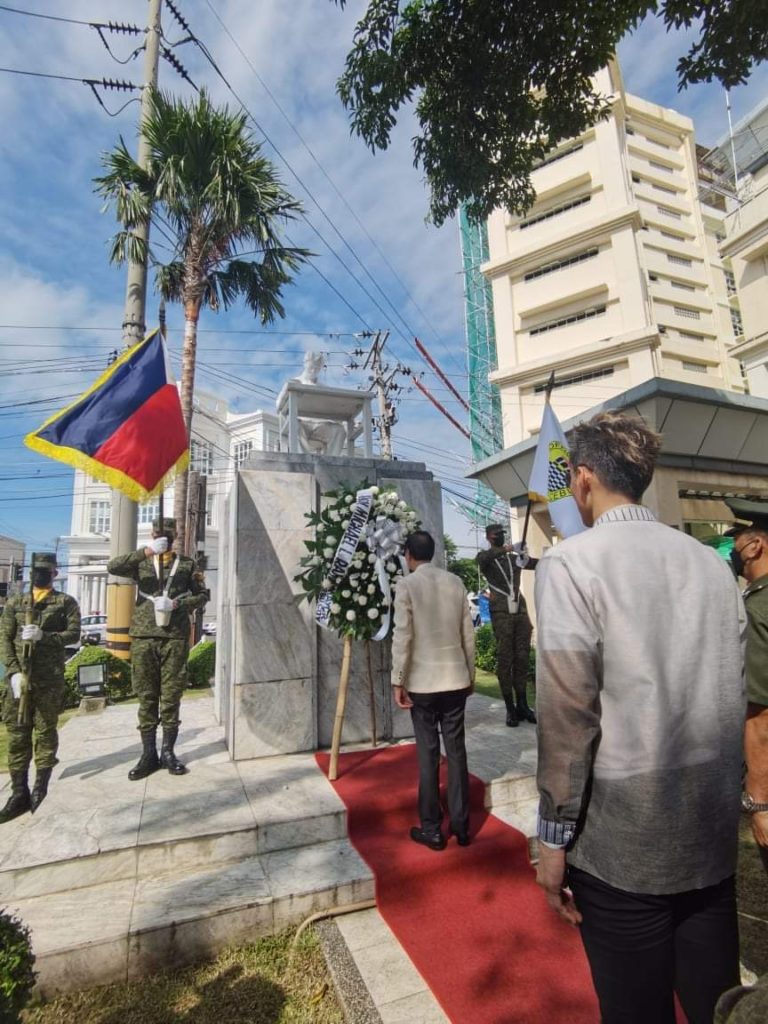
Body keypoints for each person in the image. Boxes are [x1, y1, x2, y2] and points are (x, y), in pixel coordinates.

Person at [534, 411, 745, 1024]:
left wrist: (552, 839)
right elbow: (730, 690)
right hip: (707, 822)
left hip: (622, 839)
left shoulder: (572, 563)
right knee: (716, 1005)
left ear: (582, 479)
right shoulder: (711, 564)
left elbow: (568, 714)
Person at [391, 530, 475, 850]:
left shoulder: (407, 585)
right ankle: (462, 826)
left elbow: (403, 636)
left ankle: (431, 828)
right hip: (455, 680)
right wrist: (469, 676)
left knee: (427, 756)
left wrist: (398, 680)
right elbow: (468, 634)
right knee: (456, 753)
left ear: (409, 555)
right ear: (433, 552)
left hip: (423, 685)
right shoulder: (455, 582)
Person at [107, 517, 207, 780]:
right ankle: (148, 754)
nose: (164, 538)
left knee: (171, 695)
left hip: (174, 635)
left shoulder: (186, 564)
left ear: (175, 536)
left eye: (167, 535)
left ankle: (168, 752)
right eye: (158, 534)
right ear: (152, 534)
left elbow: (202, 594)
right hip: (143, 636)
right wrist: (147, 550)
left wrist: (178, 605)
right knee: (147, 695)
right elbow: (113, 566)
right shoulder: (141, 562)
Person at [0, 552, 81, 821]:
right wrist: (13, 672)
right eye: (36, 571)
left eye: (45, 571)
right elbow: (5, 638)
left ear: (54, 573)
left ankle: (40, 786)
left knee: (45, 732)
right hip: (19, 681)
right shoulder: (16, 603)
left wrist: (45, 636)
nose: (39, 575)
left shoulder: (65, 602)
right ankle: (18, 791)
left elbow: (74, 634)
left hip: (48, 679)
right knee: (17, 735)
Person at [727, 506, 768, 863]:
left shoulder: (756, 609)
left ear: (755, 547)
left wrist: (759, 802)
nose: (733, 553)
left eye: (736, 543)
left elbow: (758, 714)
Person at [476, 523, 537, 726]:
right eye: (496, 535)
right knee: (506, 659)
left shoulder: (514, 560)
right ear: (488, 537)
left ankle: (523, 705)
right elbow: (483, 559)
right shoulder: (486, 559)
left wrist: (526, 556)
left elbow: (535, 564)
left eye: (502, 534)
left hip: (519, 612)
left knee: (521, 658)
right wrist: (509, 548)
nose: (500, 537)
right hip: (501, 612)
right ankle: (510, 709)